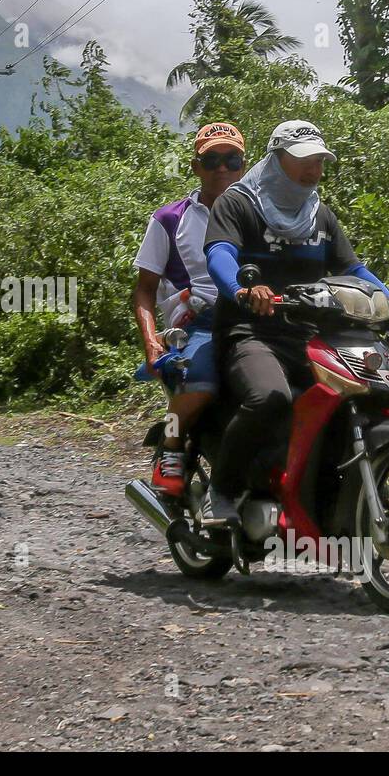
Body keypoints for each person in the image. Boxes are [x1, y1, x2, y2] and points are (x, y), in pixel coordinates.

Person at [203, 120, 389, 521]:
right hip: (250, 331)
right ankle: (222, 491)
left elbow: (354, 271)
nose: (315, 170)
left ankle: (322, 500)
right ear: (277, 160)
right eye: (305, 160)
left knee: (349, 400)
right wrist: (242, 288)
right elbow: (220, 253)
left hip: (309, 335)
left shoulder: (319, 215)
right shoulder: (238, 203)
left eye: (320, 161)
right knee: (271, 397)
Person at [133, 122, 248, 499]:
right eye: (212, 159)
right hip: (198, 321)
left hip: (254, 315)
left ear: (243, 166)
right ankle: (170, 446)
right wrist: (151, 344)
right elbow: (144, 290)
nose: (222, 169)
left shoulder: (262, 215)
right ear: (196, 166)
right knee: (201, 382)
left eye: (232, 160)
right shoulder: (169, 219)